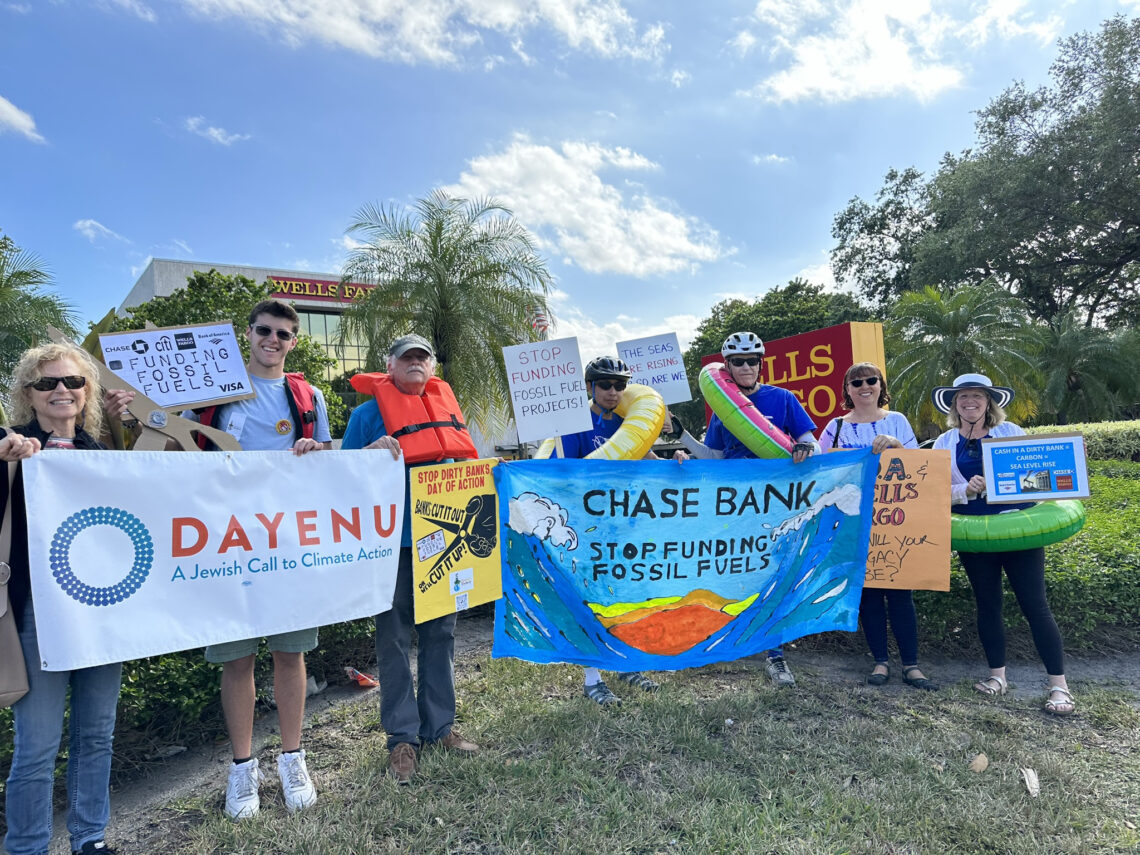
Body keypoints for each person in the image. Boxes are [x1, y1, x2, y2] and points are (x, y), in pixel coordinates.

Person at [147, 300, 331, 818]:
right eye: (265, 330)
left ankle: (293, 758)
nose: (273, 339)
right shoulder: (210, 392)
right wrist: (132, 411)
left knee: (291, 655)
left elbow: (330, 464)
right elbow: (167, 445)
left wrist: (316, 453)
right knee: (237, 659)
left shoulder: (308, 395)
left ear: (294, 341)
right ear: (247, 334)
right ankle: (242, 769)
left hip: (289, 542)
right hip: (225, 542)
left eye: (284, 333)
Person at [2, 341, 131, 855]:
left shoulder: (100, 453)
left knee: (97, 736)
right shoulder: (14, 446)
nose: (62, 390)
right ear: (28, 395)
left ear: (87, 393)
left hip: (102, 614)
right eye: (47, 382)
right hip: (37, 614)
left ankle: (90, 839)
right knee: (36, 747)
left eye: (73, 382)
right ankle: (27, 847)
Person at [340, 333, 480, 784]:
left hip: (442, 540)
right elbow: (341, 475)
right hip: (391, 545)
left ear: (432, 367)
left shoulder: (451, 414)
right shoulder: (366, 415)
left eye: (423, 358)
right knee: (394, 638)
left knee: (441, 634)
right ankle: (402, 738)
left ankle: (440, 727)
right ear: (390, 365)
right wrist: (368, 453)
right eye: (407, 358)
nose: (415, 364)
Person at [677, 332, 819, 687]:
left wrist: (805, 451)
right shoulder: (722, 409)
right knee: (733, 572)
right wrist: (682, 440)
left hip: (779, 501)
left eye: (751, 360)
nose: (745, 367)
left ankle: (776, 657)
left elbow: (809, 441)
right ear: (726, 367)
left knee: (775, 575)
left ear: (760, 363)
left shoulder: (783, 399)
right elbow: (715, 457)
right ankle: (725, 645)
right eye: (737, 362)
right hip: (737, 505)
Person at [931, 373, 1074, 715]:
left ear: (989, 401)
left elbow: (1038, 475)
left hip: (1019, 530)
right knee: (988, 604)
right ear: (954, 403)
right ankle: (998, 677)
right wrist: (963, 491)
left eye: (977, 396)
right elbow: (932, 491)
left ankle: (1059, 685)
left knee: (1035, 606)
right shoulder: (944, 442)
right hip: (975, 533)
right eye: (963, 396)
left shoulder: (1011, 434)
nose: (970, 402)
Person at [548, 356, 661, 706]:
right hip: (588, 527)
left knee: (628, 596)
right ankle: (592, 678)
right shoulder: (574, 425)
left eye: (620, 385)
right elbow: (556, 472)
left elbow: (651, 462)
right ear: (590, 386)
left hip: (625, 525)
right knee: (591, 599)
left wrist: (678, 462)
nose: (613, 392)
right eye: (605, 385)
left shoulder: (629, 423)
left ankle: (628, 664)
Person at [820, 362, 937, 691]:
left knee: (901, 595)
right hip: (854, 524)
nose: (864, 386)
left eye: (871, 380)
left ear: (880, 385)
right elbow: (823, 471)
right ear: (848, 390)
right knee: (868, 595)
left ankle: (912, 665)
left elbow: (919, 466)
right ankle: (880, 662)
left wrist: (897, 446)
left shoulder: (897, 421)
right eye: (856, 382)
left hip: (895, 523)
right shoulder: (835, 428)